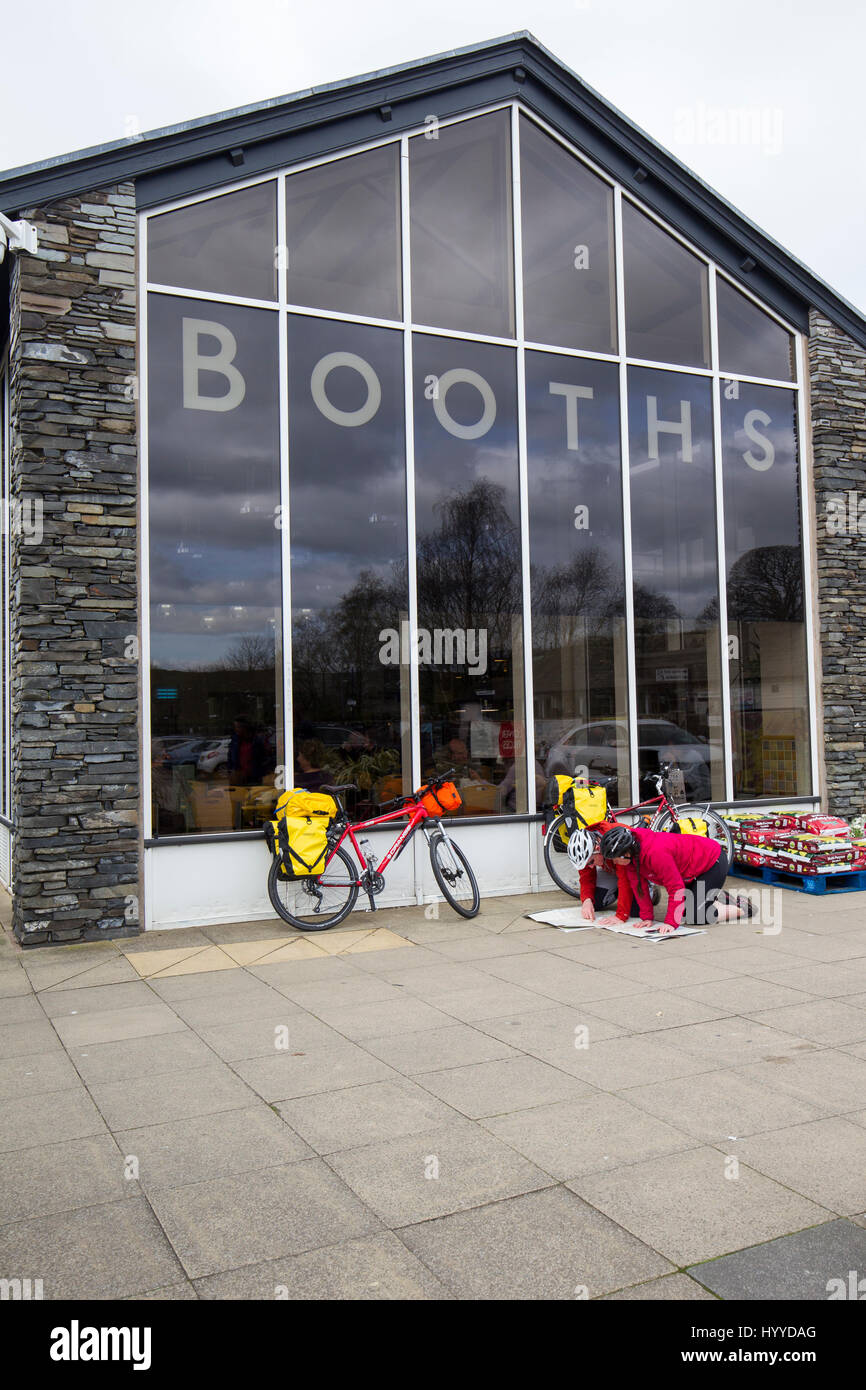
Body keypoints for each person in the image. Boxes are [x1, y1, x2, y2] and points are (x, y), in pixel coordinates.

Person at [598, 824, 752, 934]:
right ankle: (716, 897)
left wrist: (671, 923)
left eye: (616, 859)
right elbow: (639, 887)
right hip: (689, 872)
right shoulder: (631, 859)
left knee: (697, 916)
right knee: (684, 910)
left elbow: (675, 888)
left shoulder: (655, 853)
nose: (615, 863)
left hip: (711, 861)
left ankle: (742, 908)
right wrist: (647, 917)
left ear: (626, 852)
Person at [567, 824, 642, 923]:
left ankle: (650, 890)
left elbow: (625, 879)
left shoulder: (616, 841)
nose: (590, 867)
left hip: (634, 871)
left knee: (635, 911)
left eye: (591, 862)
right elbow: (586, 877)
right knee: (595, 903)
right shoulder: (585, 848)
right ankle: (619, 892)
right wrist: (586, 900)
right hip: (611, 871)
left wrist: (621, 916)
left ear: (597, 848)